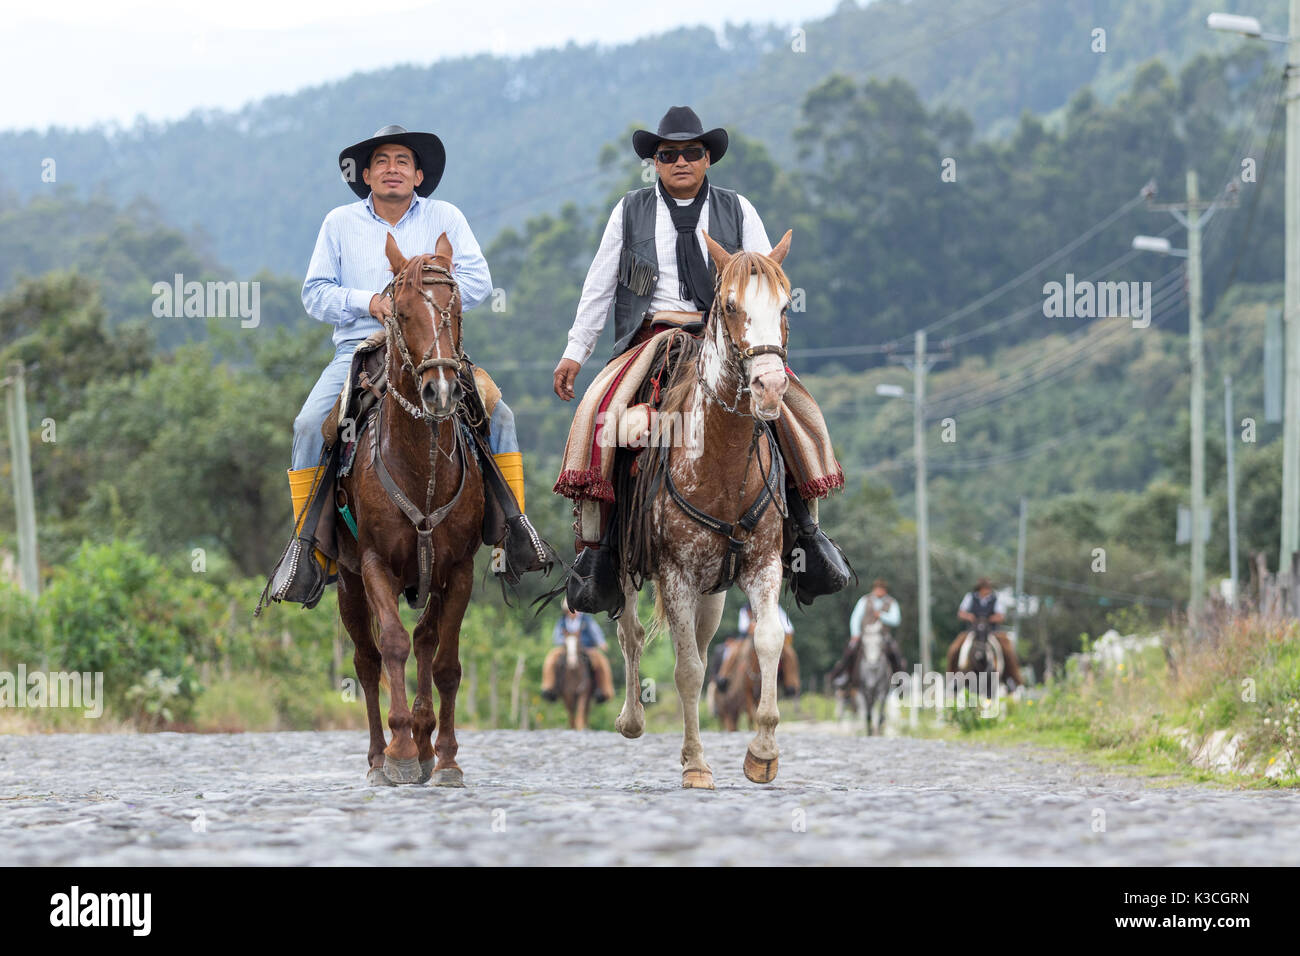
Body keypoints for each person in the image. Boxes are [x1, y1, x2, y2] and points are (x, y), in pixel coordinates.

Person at [552, 106, 849, 614]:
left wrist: (761, 341)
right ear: (656, 162)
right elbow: (600, 285)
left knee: (794, 411)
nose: (681, 161)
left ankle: (807, 534)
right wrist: (575, 353)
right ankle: (597, 552)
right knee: (604, 418)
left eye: (692, 152)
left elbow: (764, 281)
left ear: (707, 158)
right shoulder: (630, 211)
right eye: (669, 155)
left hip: (732, 340)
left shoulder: (738, 210)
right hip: (654, 337)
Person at [271, 124, 549, 603]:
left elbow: (479, 281)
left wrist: (425, 293)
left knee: (499, 416)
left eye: (402, 161)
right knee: (307, 424)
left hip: (432, 347)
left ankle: (514, 532)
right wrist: (371, 301)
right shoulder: (338, 223)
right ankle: (308, 551)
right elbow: (314, 294)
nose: (392, 169)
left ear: (419, 174)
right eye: (381, 161)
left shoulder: (447, 216)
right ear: (365, 175)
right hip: (359, 347)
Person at [948, 577, 1024, 688]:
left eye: (989, 589)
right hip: (973, 631)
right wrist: (971, 617)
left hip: (992, 631)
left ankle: (1011, 678)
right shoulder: (970, 597)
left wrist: (989, 619)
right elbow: (961, 613)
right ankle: (953, 677)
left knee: (1007, 650)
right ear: (980, 589)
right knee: (954, 649)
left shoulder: (995, 599)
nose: (987, 591)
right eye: (985, 588)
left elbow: (1001, 616)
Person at [830, 578, 905, 687]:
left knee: (895, 653)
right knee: (850, 652)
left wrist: (882, 616)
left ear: (885, 590)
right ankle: (844, 676)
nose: (879, 591)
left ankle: (898, 680)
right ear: (874, 589)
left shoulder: (892, 602)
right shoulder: (864, 600)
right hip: (865, 635)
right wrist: (855, 634)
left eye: (881, 589)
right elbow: (855, 618)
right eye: (877, 588)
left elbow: (896, 620)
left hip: (883, 636)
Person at [541, 601, 615, 703]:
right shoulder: (562, 621)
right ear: (566, 611)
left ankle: (604, 689)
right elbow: (557, 636)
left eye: (575, 609)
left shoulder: (586, 620)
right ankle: (549, 686)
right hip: (566, 647)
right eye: (570, 610)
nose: (573, 612)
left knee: (601, 661)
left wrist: (600, 642)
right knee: (551, 658)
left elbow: (595, 631)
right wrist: (566, 641)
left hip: (586, 647)